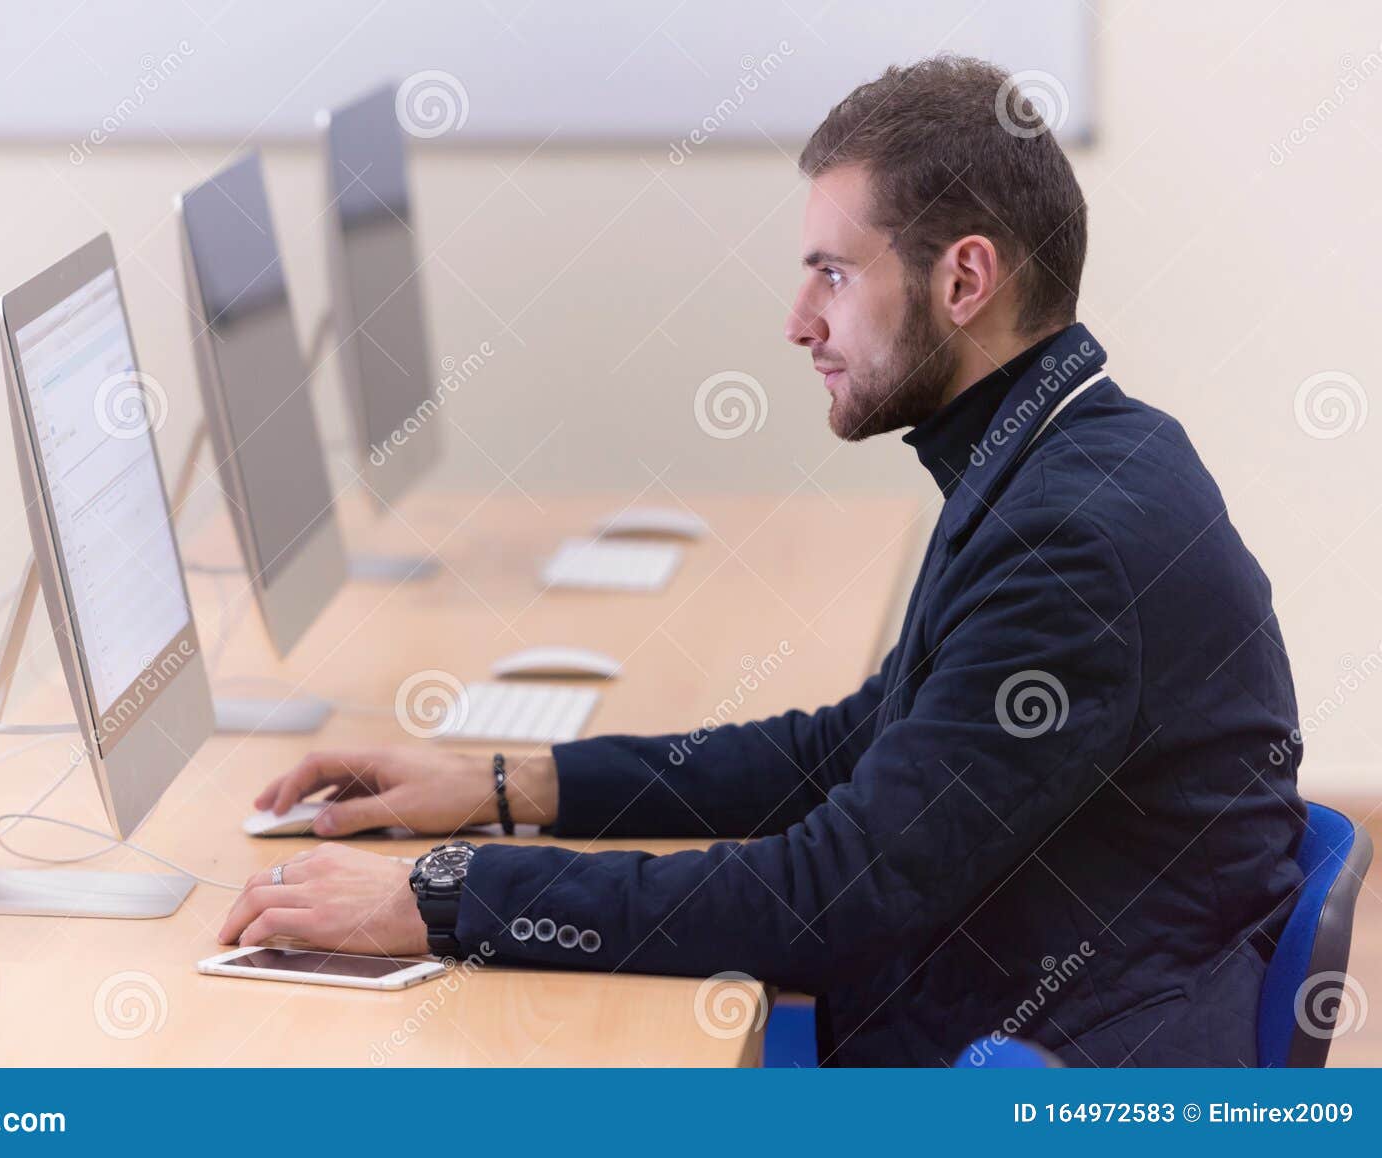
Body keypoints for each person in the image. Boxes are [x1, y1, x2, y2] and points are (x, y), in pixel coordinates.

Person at [217, 56, 1305, 1067]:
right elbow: (851, 751)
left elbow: (834, 895)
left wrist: (444, 895)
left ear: (964, 279)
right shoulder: (1063, 453)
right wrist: (504, 783)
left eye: (832, 275)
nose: (798, 323)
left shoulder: (1068, 544)